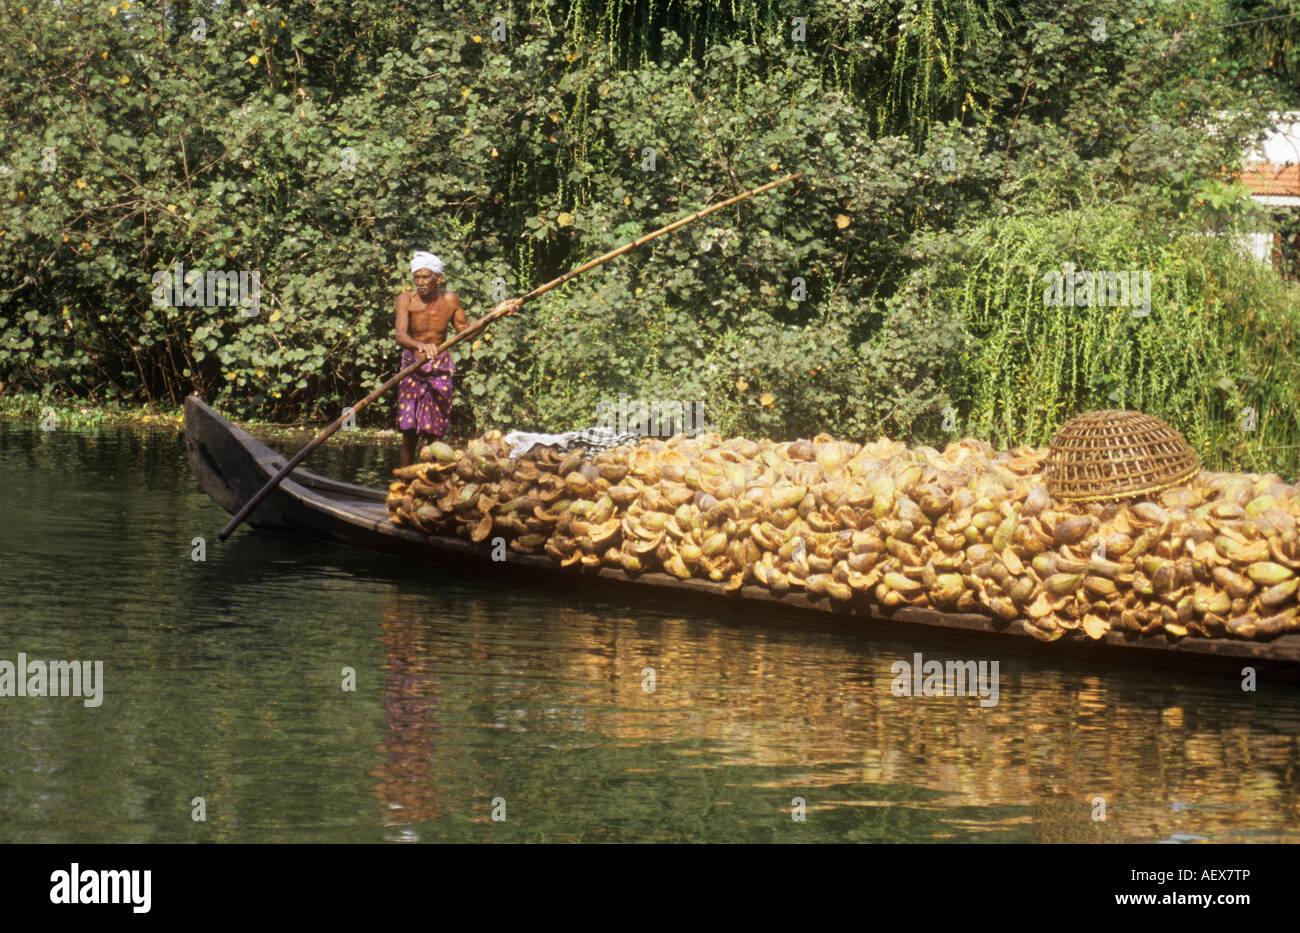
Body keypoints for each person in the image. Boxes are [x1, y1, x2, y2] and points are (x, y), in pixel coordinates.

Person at [395, 251, 520, 466]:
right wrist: (420, 345)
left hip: (439, 369)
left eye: (426, 277)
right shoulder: (406, 300)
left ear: (438, 278)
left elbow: (467, 333)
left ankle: (433, 480)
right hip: (412, 368)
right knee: (409, 433)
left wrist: (495, 314)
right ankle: (404, 483)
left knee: (436, 432)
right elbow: (400, 335)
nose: (421, 282)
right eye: (417, 277)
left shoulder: (450, 300)